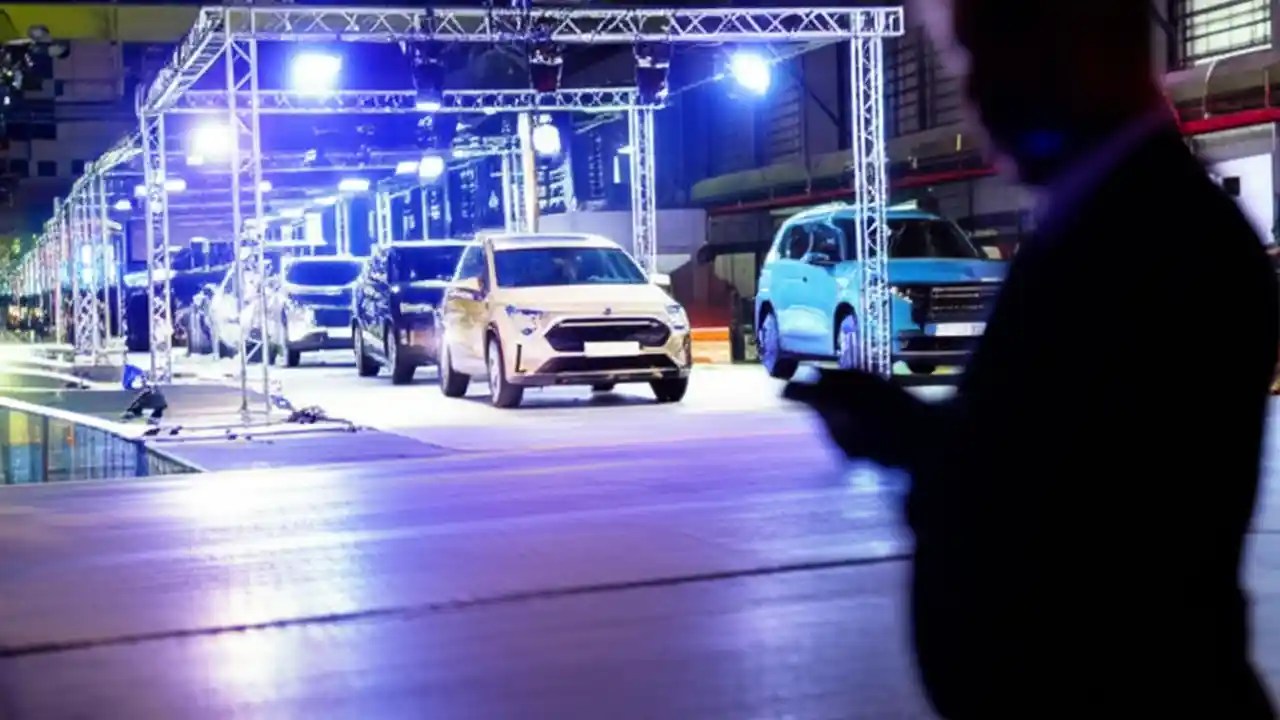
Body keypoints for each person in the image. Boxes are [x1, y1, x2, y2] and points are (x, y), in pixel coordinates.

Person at [785, 1, 1280, 717]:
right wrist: (908, 434)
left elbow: (1084, 520)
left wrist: (927, 456)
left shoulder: (1162, 240)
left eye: (988, 56)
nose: (975, 93)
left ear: (1086, 44)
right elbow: (1045, 442)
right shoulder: (1098, 221)